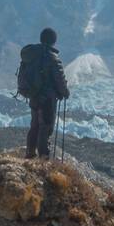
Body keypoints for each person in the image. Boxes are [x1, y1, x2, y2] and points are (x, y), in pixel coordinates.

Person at [20, 27, 70, 159]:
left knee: (35, 125)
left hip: (33, 96)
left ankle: (30, 154)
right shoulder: (52, 58)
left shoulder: (31, 54)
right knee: (46, 127)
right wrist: (65, 92)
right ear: (53, 41)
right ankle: (43, 158)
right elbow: (60, 79)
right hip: (47, 99)